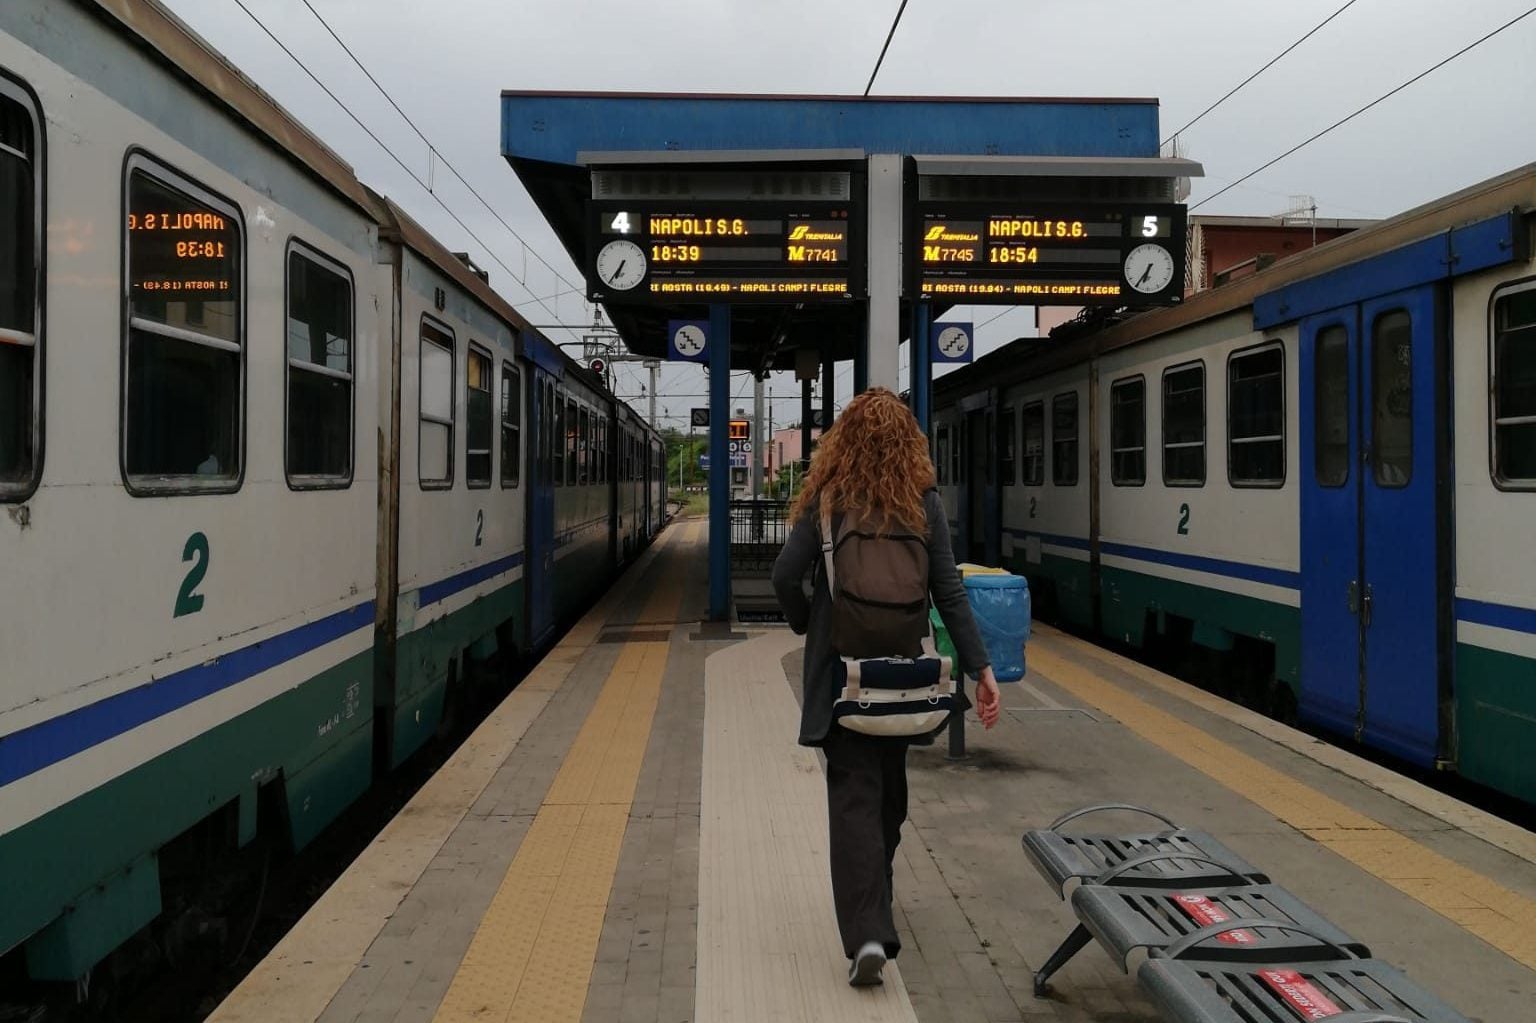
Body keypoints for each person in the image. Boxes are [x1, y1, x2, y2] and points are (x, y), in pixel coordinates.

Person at [771, 387, 1001, 988]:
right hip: (900, 674)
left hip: (838, 672)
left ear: (841, 442)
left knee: (853, 798)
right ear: (909, 444)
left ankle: (868, 931)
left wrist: (807, 622)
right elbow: (949, 589)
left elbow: (783, 575)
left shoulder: (828, 499)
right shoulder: (922, 501)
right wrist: (981, 670)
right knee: (888, 795)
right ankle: (876, 905)